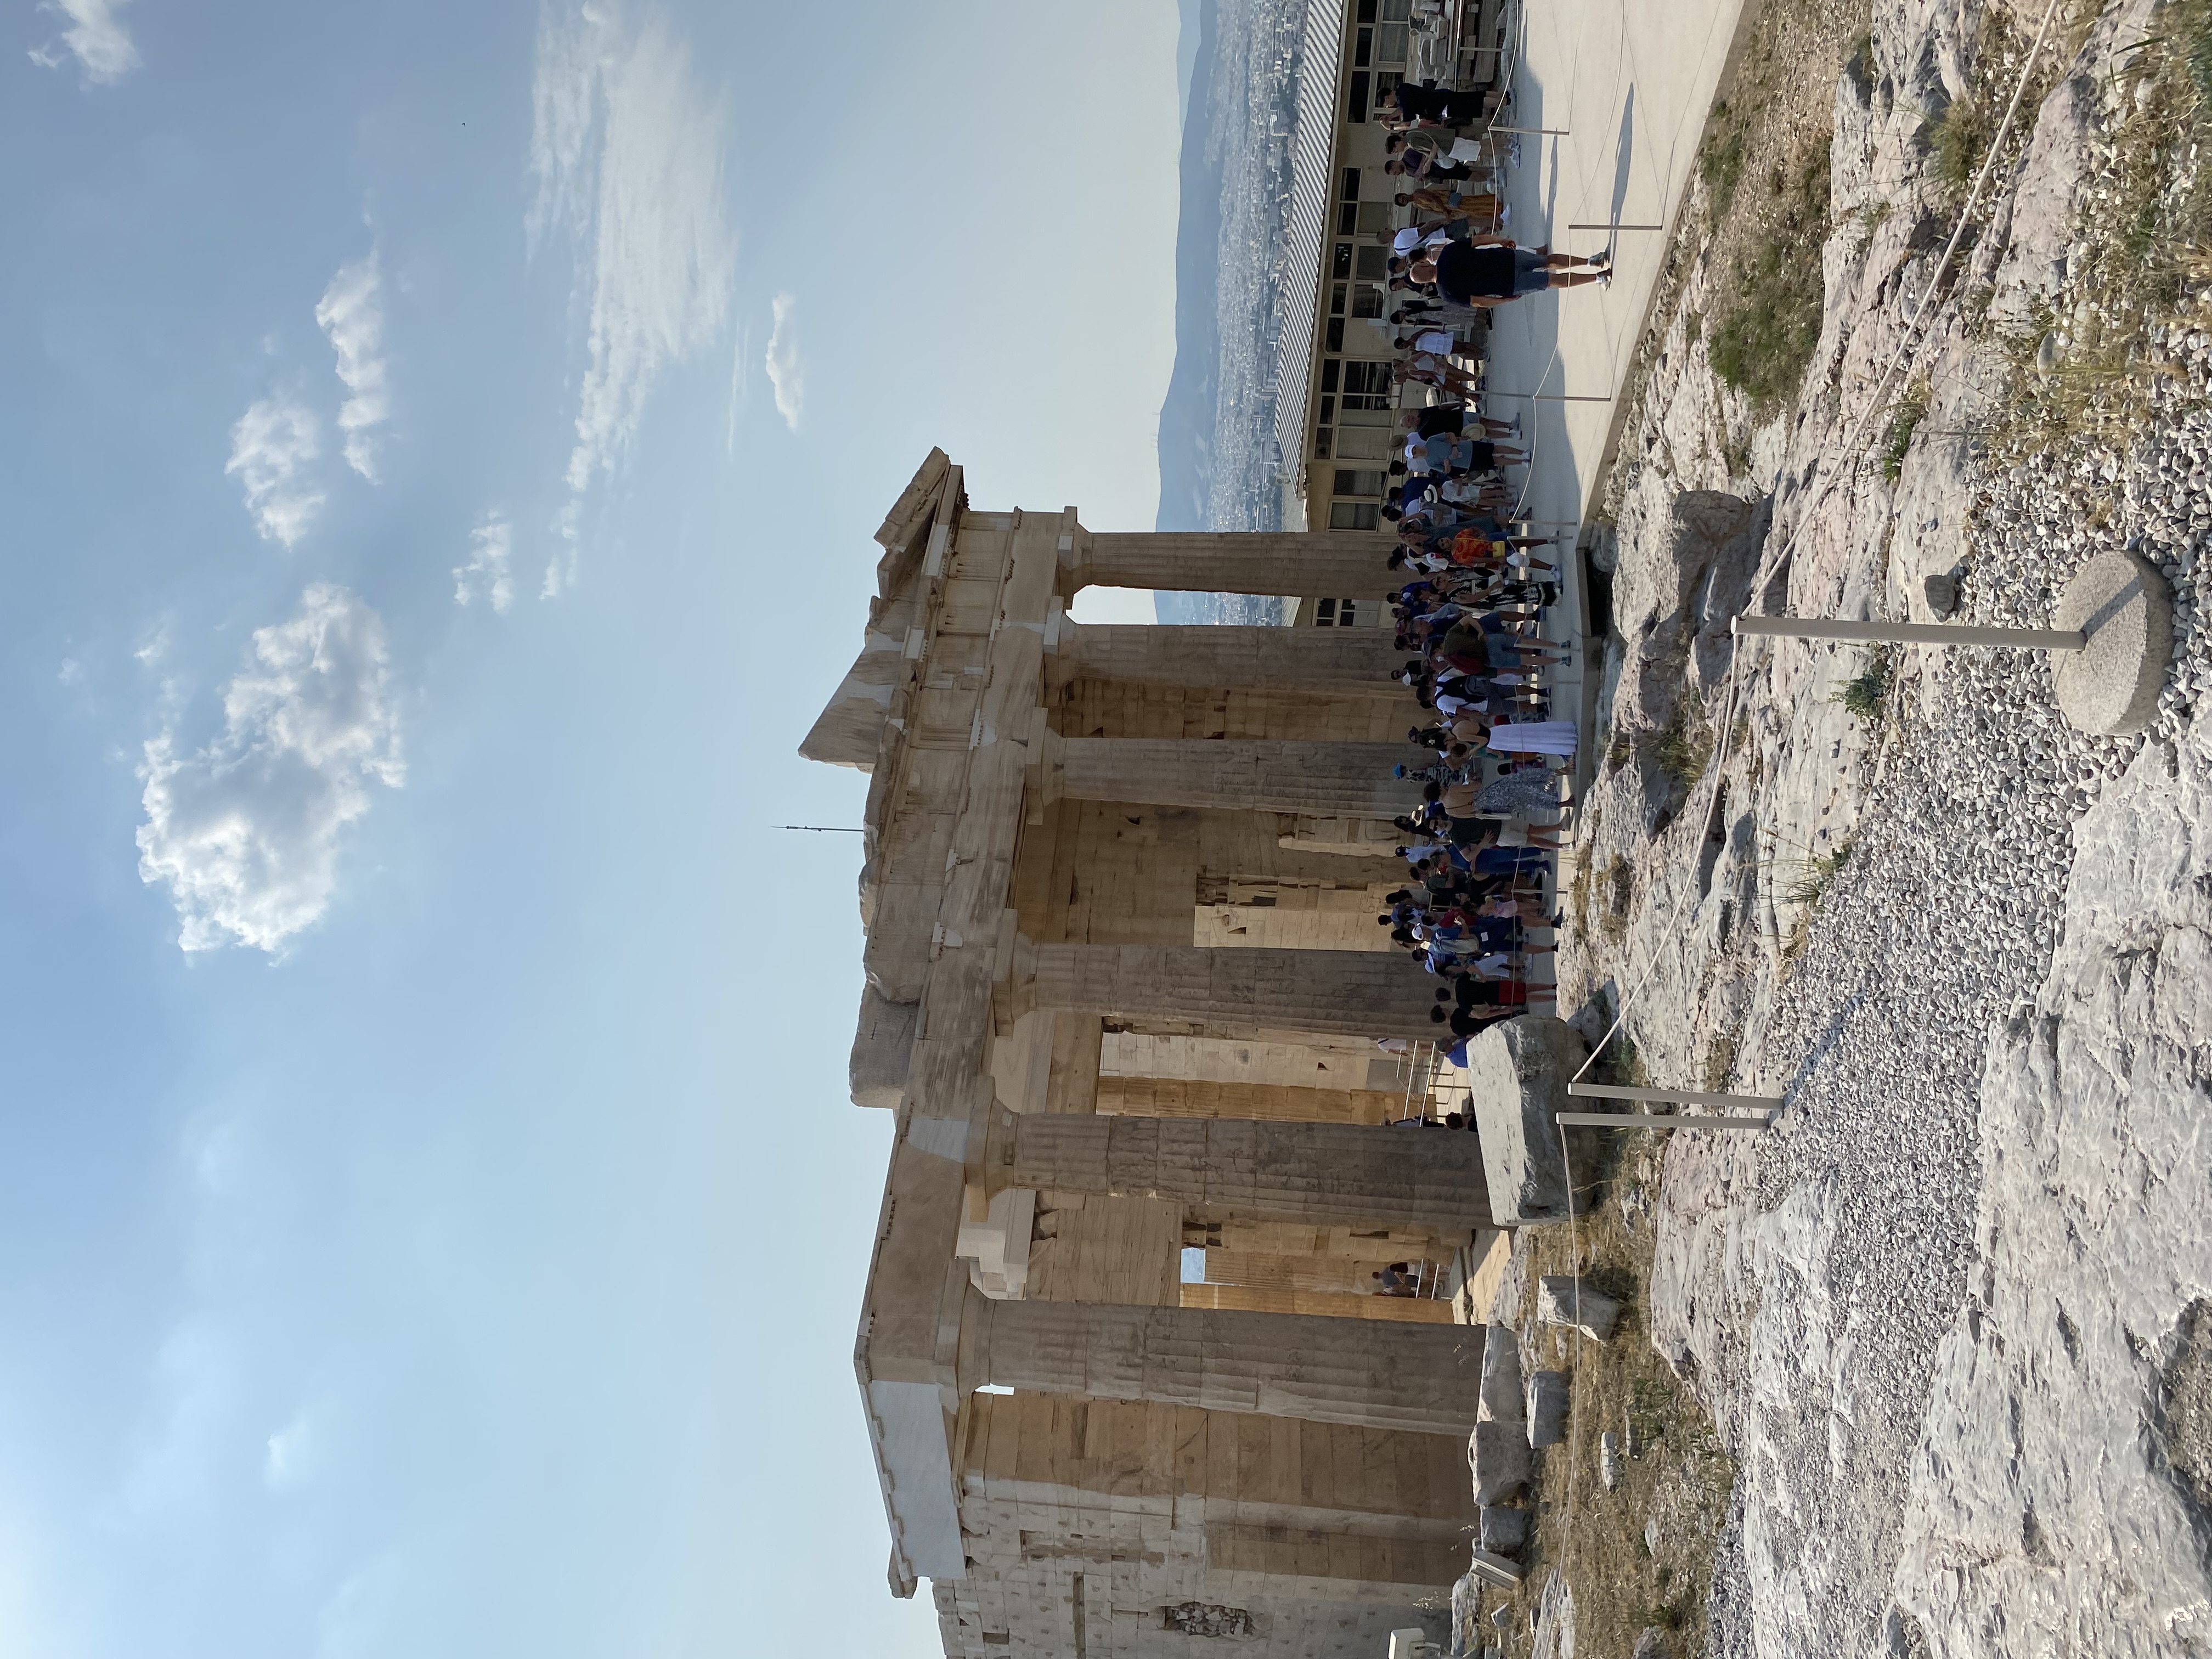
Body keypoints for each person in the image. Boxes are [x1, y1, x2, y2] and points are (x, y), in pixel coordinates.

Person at [1418, 240, 1610, 305]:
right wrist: (1500, 239)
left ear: (1424, 283)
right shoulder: (1446, 253)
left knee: (1550, 281)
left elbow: (1477, 301)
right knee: (1547, 260)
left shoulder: (1446, 293)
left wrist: (1502, 300)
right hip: (1505, 259)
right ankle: (1590, 261)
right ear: (1425, 265)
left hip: (1507, 284)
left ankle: (1597, 278)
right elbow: (1476, 241)